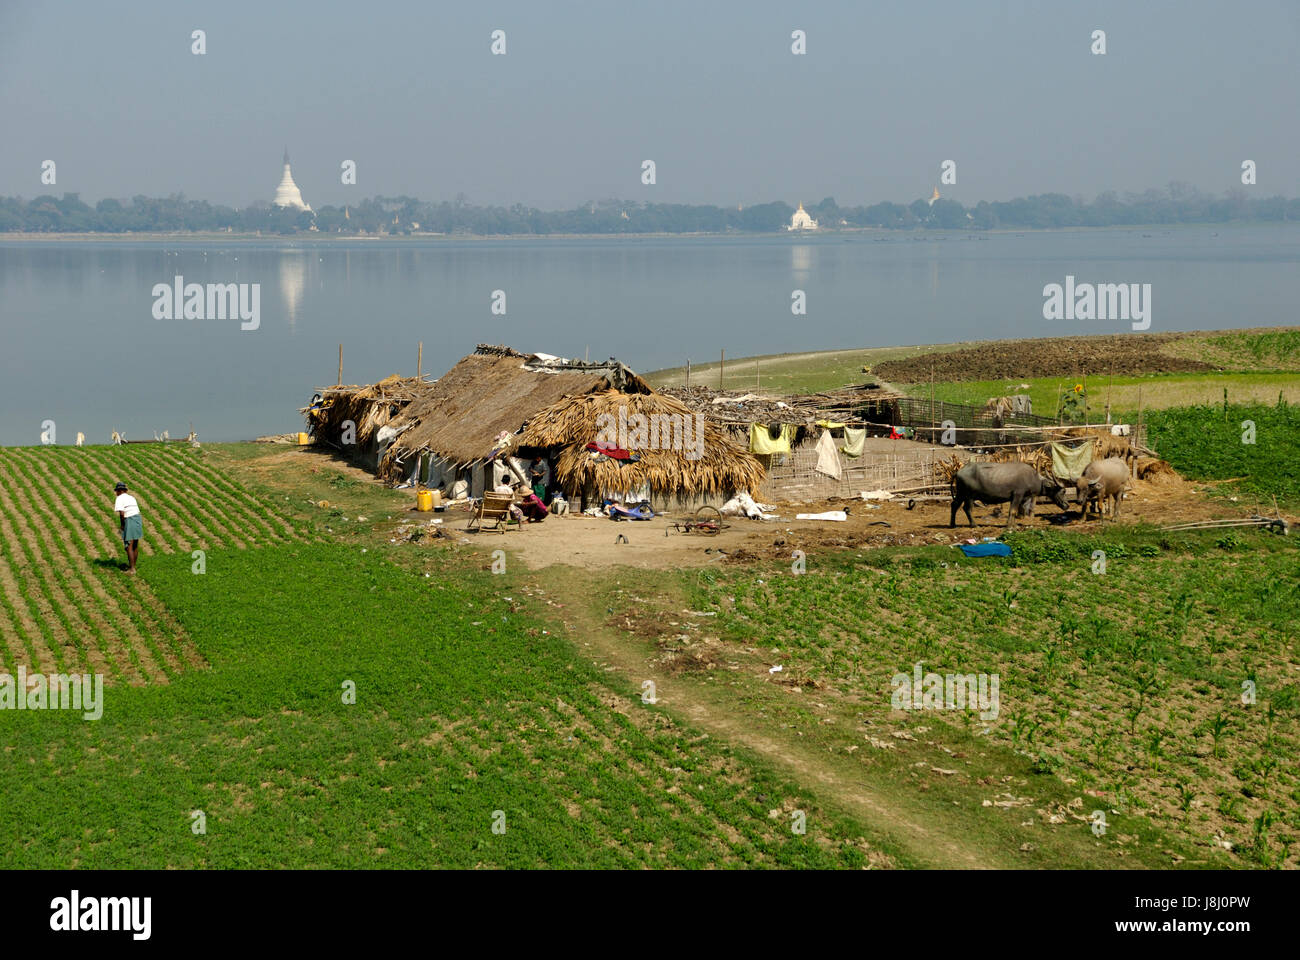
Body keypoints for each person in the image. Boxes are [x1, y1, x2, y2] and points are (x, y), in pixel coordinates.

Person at [113, 481, 143, 573]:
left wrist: (122, 526)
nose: (116, 493)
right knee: (135, 545)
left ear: (119, 491)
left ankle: (132, 569)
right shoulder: (132, 497)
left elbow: (122, 514)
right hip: (137, 519)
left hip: (129, 519)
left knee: (128, 546)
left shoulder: (119, 498)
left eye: (116, 491)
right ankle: (133, 567)